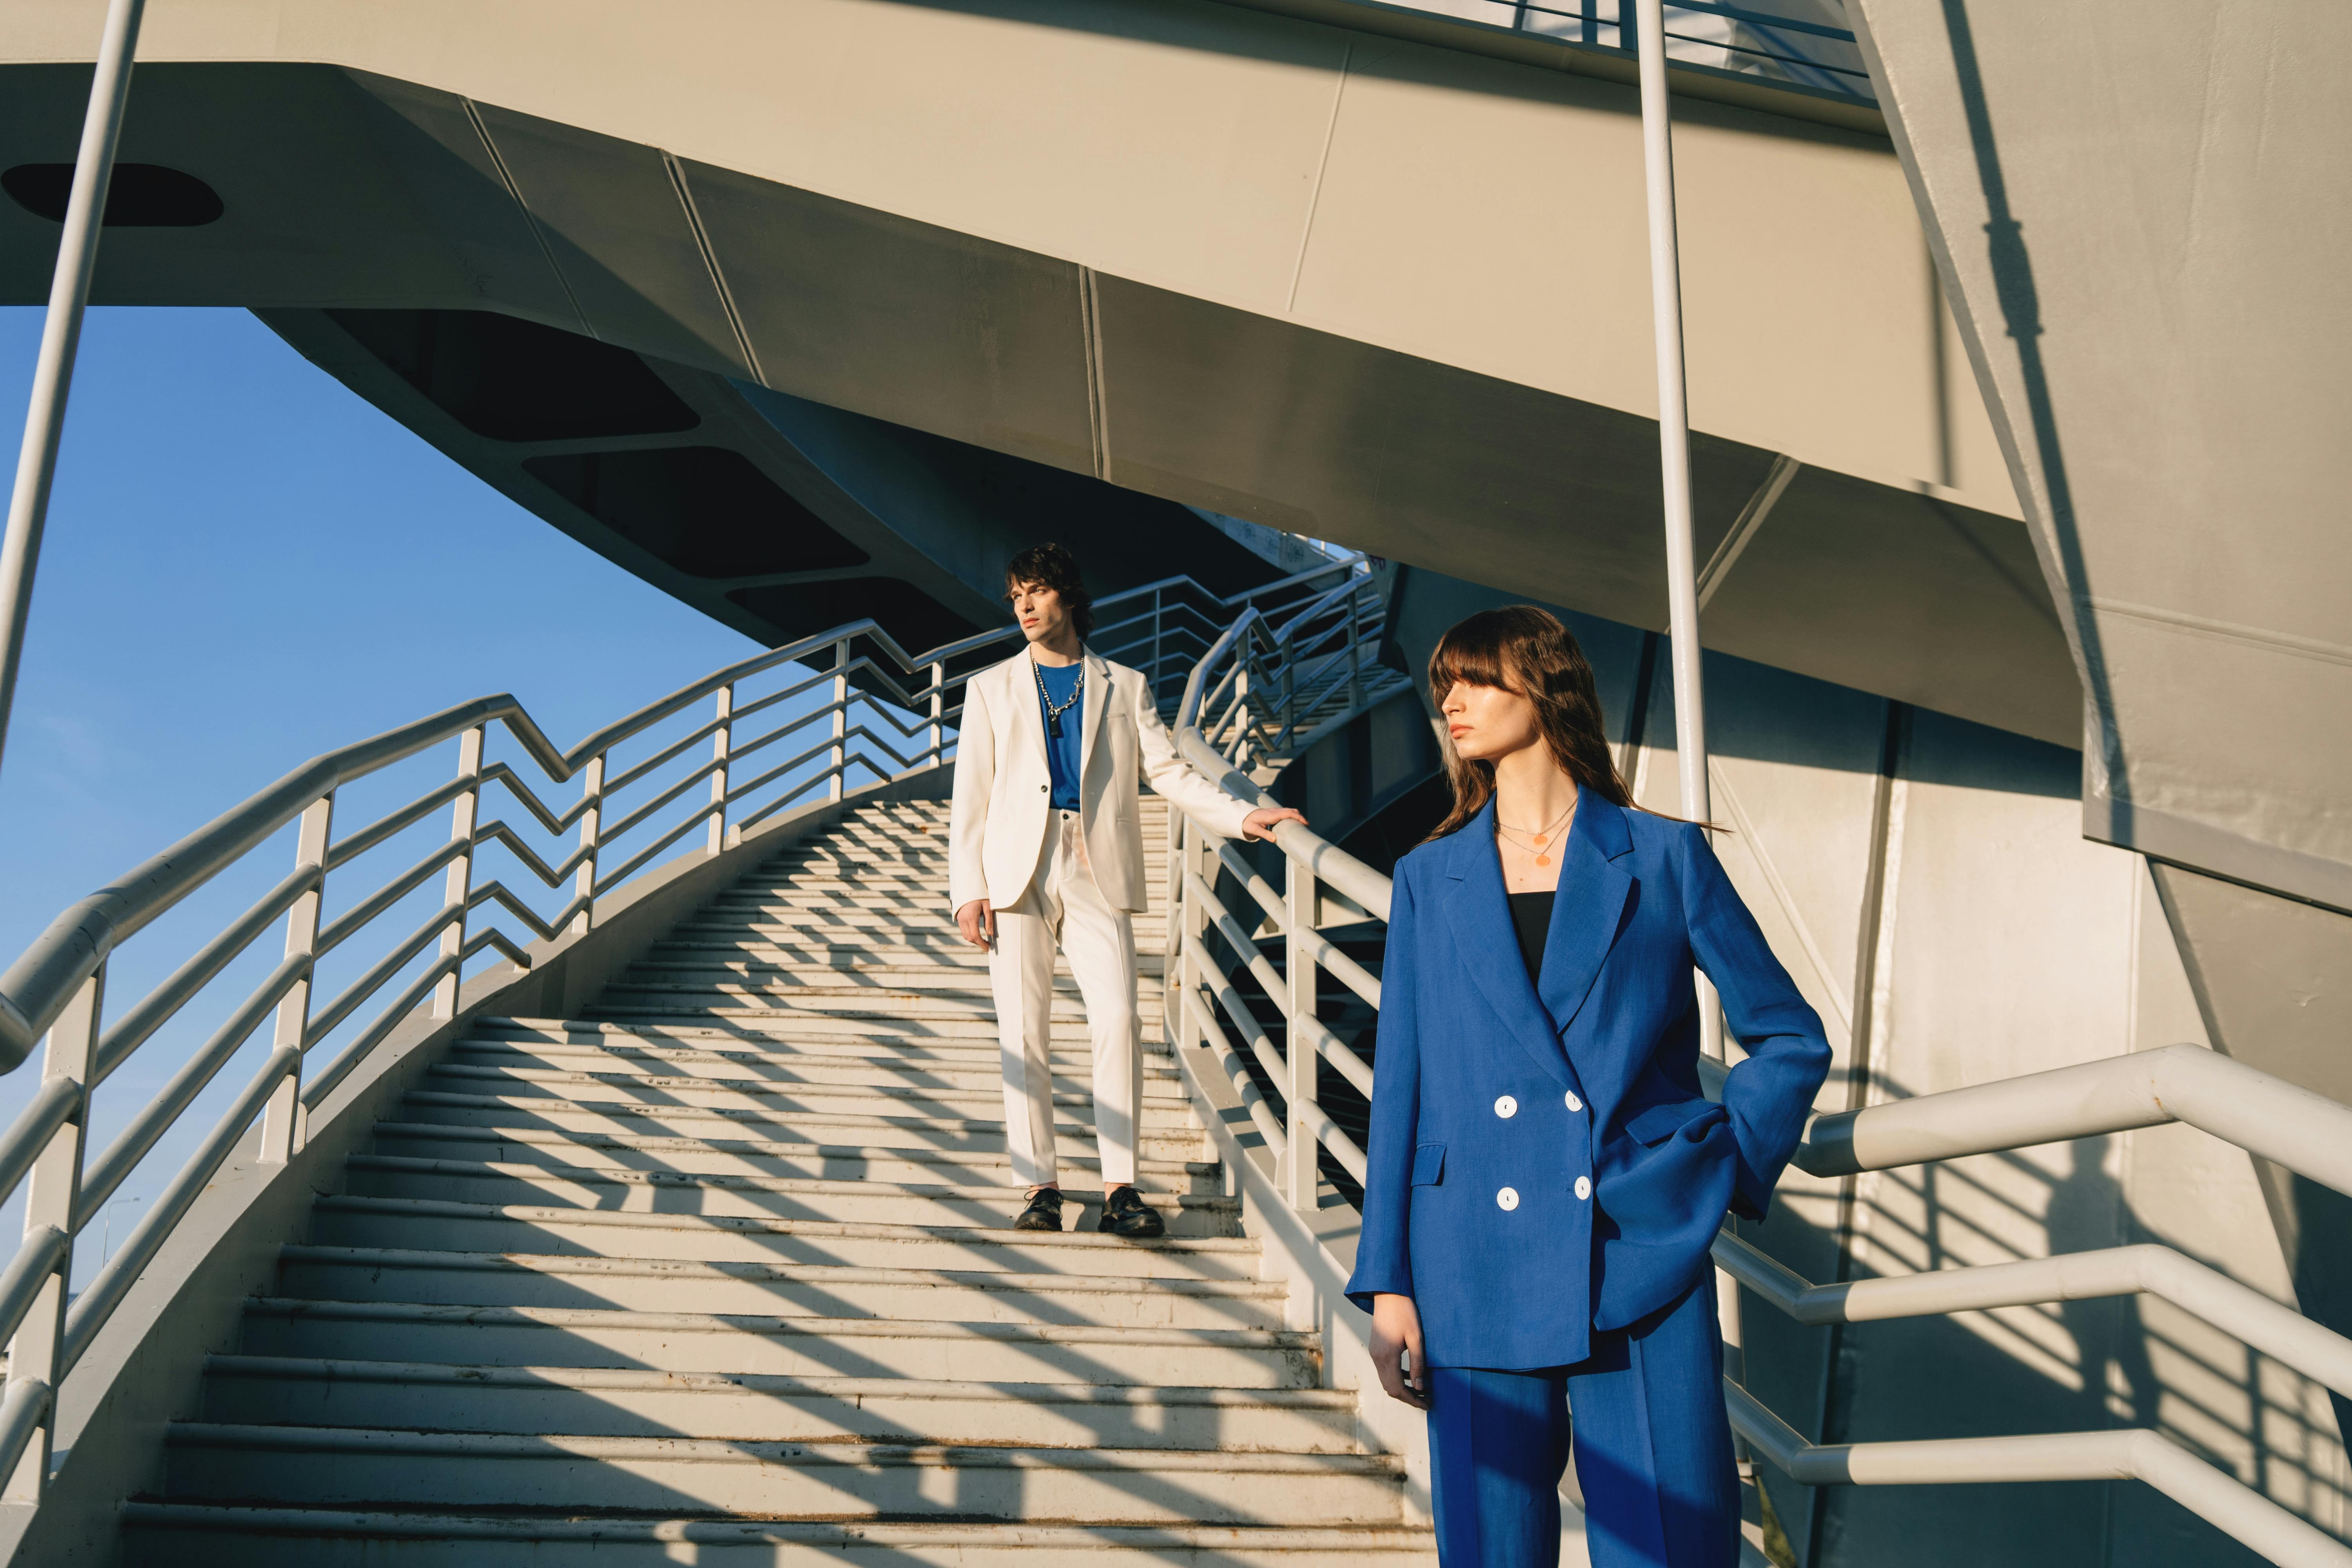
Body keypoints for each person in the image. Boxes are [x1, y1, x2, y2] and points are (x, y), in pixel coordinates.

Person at [1344, 606, 1830, 1568]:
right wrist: (1388, 1276)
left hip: (1636, 1247)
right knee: (1491, 1552)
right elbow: (1400, 1083)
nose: (1451, 698)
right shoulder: (1427, 877)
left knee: (1671, 1545)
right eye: (1445, 680)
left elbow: (1788, 1035)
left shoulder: (1662, 855)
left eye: (1476, 677)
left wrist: (1714, 1161)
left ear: (1544, 683)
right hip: (1469, 1255)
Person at [948, 543, 1306, 1237]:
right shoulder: (990, 687)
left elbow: (1167, 773)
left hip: (1096, 863)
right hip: (1016, 868)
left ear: (1069, 598)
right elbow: (973, 793)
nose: (1023, 605)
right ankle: (1040, 1188)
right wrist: (969, 887)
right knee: (1025, 1031)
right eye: (1015, 594)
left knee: (1117, 1018)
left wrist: (1245, 815)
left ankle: (1120, 1189)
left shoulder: (1124, 684)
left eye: (1037, 591)